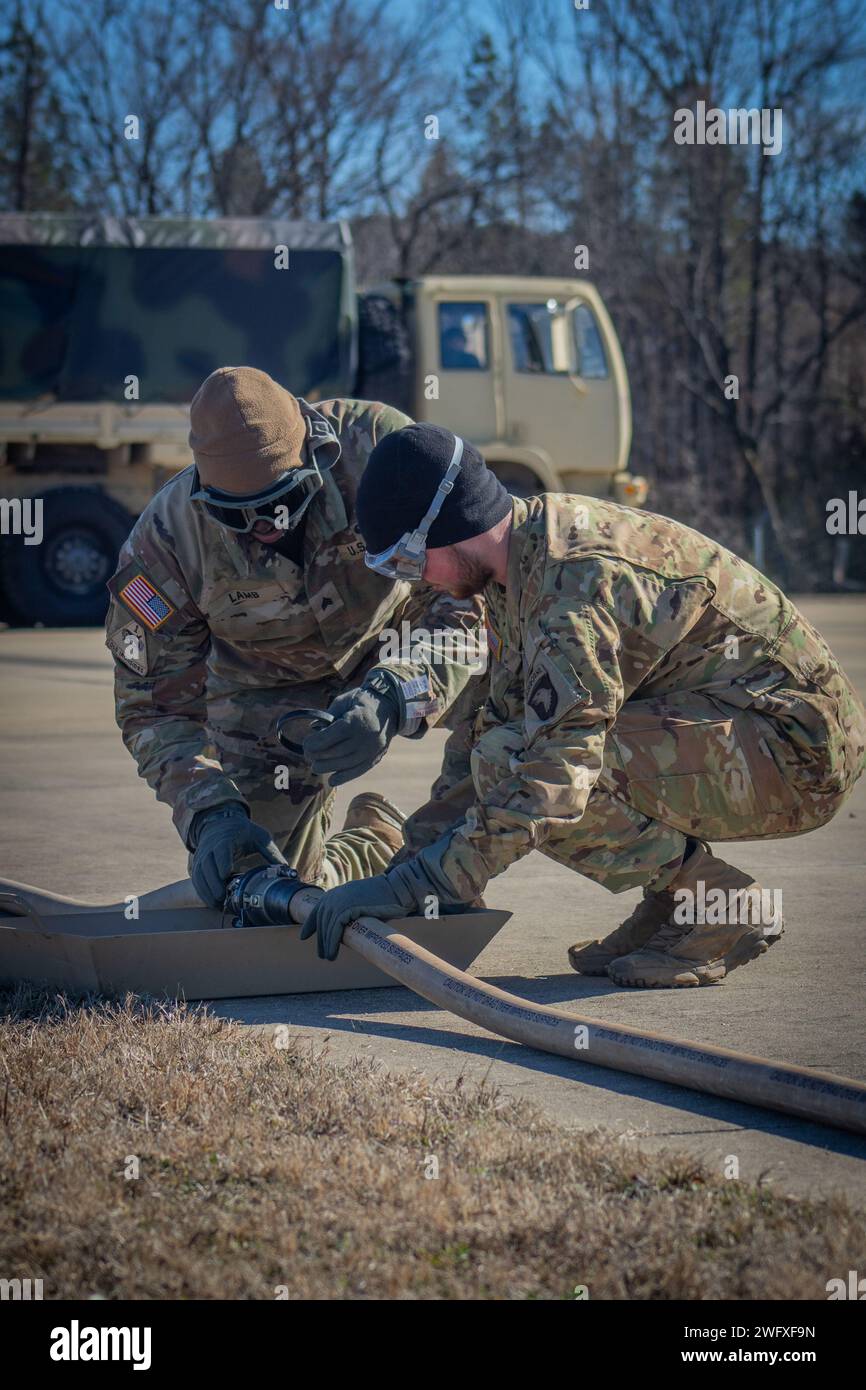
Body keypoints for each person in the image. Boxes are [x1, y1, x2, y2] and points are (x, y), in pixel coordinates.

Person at [300, 423, 866, 989]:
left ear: (449, 528)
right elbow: (484, 726)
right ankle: (679, 900)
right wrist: (411, 872)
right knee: (500, 746)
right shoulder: (514, 562)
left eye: (407, 561)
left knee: (524, 766)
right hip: (740, 723)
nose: (414, 579)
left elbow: (551, 779)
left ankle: (719, 903)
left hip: (798, 754)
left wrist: (418, 886)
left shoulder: (570, 590)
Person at [105, 370, 483, 908]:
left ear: (317, 456)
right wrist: (209, 811)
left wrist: (395, 695)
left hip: (395, 643)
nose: (265, 525)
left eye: (284, 500)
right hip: (265, 694)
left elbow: (471, 598)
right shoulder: (166, 542)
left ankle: (442, 864)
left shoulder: (380, 450)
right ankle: (373, 842)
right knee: (277, 894)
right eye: (236, 515)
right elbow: (151, 705)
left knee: (515, 693)